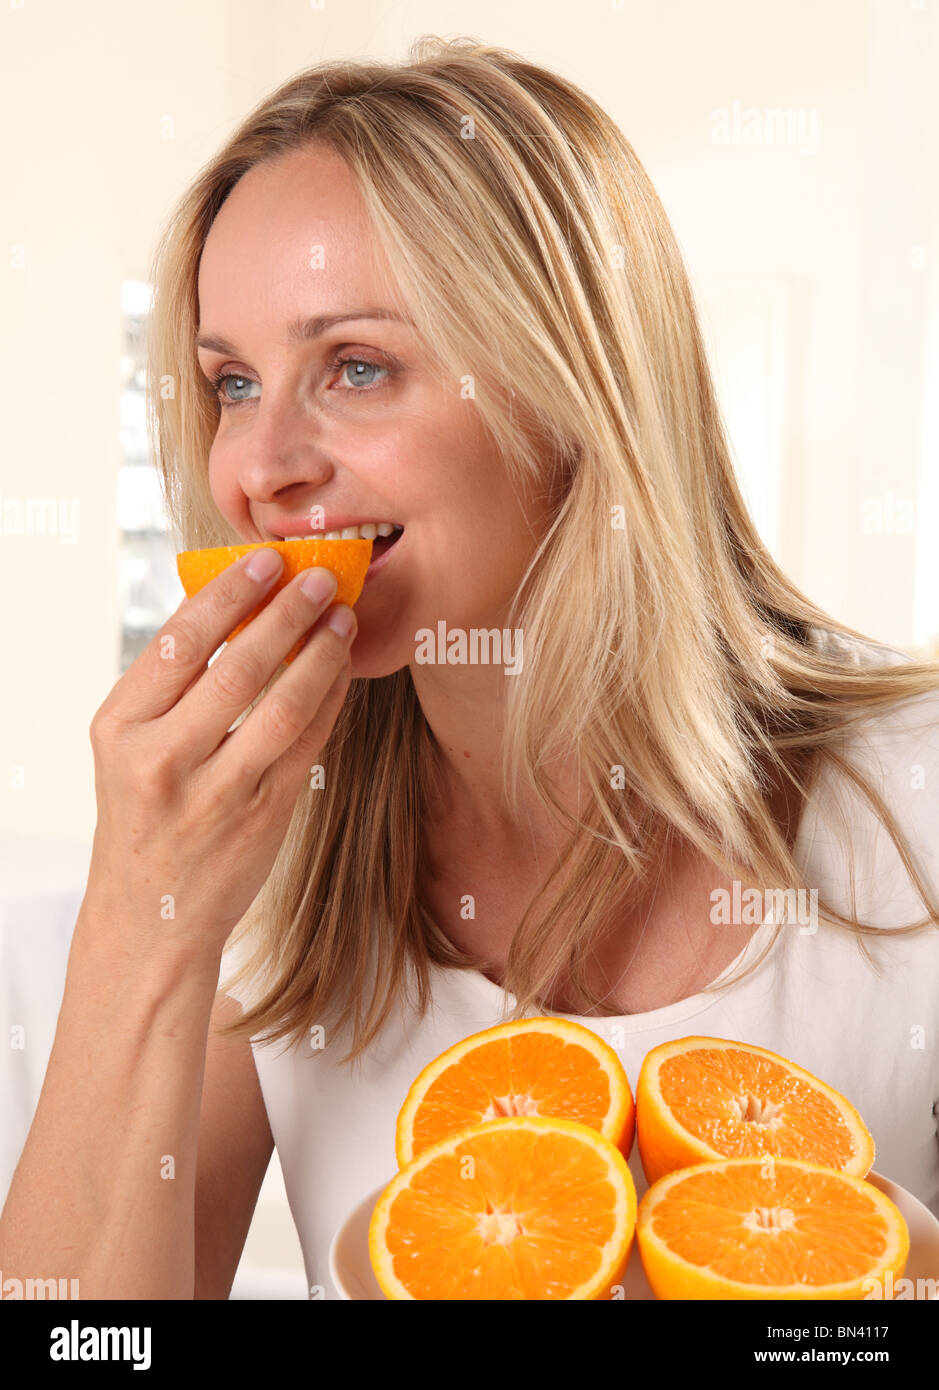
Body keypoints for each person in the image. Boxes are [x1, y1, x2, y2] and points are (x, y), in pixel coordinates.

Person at [2, 36, 938, 1301]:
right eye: (232, 381)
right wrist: (141, 913)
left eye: (355, 367)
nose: (259, 468)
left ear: (571, 390)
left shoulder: (913, 803)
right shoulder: (267, 851)